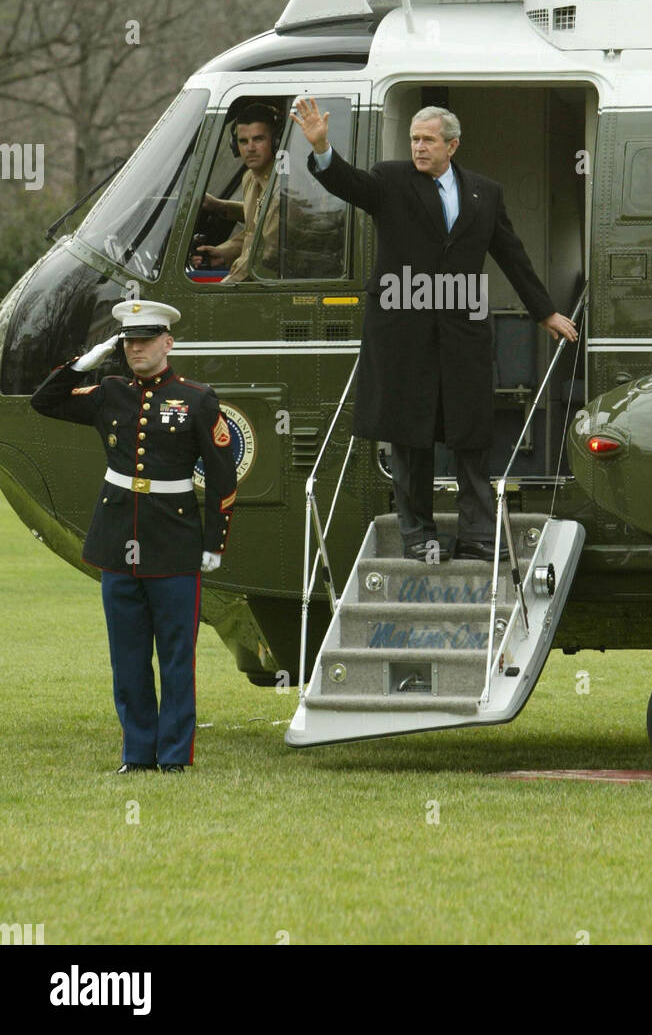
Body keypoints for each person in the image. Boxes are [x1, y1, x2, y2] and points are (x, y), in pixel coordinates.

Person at [291, 97, 577, 561]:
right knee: (410, 436)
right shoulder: (391, 179)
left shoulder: (486, 192)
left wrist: (544, 312)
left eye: (427, 140)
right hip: (403, 333)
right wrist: (322, 147)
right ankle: (418, 535)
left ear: (452, 145)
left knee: (470, 435)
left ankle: (479, 535)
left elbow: (512, 255)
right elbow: (350, 184)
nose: (418, 147)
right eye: (414, 140)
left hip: (463, 333)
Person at [30, 301, 237, 773]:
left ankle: (173, 757)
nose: (135, 348)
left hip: (174, 541)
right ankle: (138, 754)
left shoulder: (197, 398)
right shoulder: (109, 392)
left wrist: (214, 543)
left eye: (144, 340)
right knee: (127, 658)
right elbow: (45, 402)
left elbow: (223, 478)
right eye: (127, 341)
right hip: (117, 537)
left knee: (176, 657)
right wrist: (88, 359)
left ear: (168, 342)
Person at [193, 103, 281, 281]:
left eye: (258, 139)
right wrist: (224, 252)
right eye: (243, 141)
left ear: (275, 141)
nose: (250, 148)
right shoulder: (250, 178)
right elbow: (253, 230)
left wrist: (225, 287)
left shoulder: (282, 185)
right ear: (235, 145)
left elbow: (265, 249)